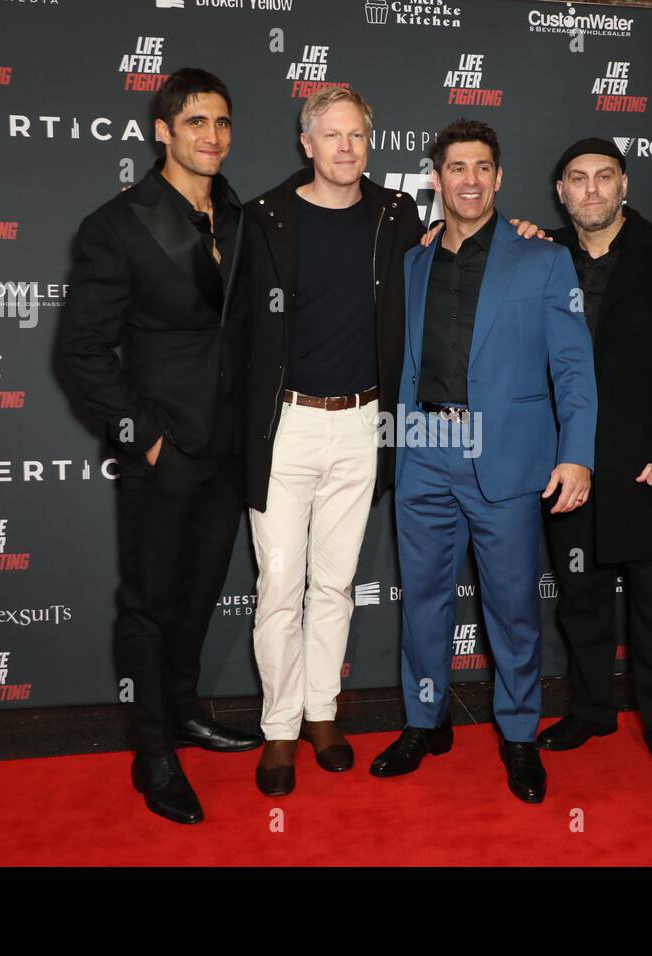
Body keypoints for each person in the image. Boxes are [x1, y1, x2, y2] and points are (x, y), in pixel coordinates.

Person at [369, 119, 597, 805]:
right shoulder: (414, 260)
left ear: (499, 177)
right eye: (455, 167)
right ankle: (424, 720)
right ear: (435, 178)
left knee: (513, 609)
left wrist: (577, 456)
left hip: (506, 457)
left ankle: (519, 735)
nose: (468, 179)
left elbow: (574, 369)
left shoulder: (543, 258)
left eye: (482, 167)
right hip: (425, 450)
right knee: (425, 605)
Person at [58, 68, 263, 826]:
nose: (212, 136)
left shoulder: (242, 216)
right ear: (163, 131)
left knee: (198, 596)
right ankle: (153, 752)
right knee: (147, 606)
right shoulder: (117, 225)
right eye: (197, 122)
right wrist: (142, 438)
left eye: (223, 122)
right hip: (164, 451)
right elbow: (81, 352)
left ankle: (182, 713)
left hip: (229, 451)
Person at [242, 87, 425, 796]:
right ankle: (279, 728)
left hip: (362, 424)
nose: (346, 147)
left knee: (337, 584)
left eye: (357, 136)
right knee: (280, 586)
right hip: (285, 427)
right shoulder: (265, 218)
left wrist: (522, 233)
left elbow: (452, 265)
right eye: (333, 135)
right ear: (306, 143)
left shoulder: (395, 215)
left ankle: (322, 712)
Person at [536, 139, 652, 806]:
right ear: (561, 191)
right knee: (581, 601)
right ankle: (590, 711)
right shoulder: (540, 256)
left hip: (649, 472)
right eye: (578, 179)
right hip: (569, 469)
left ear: (624, 184)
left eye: (604, 178)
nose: (591, 190)